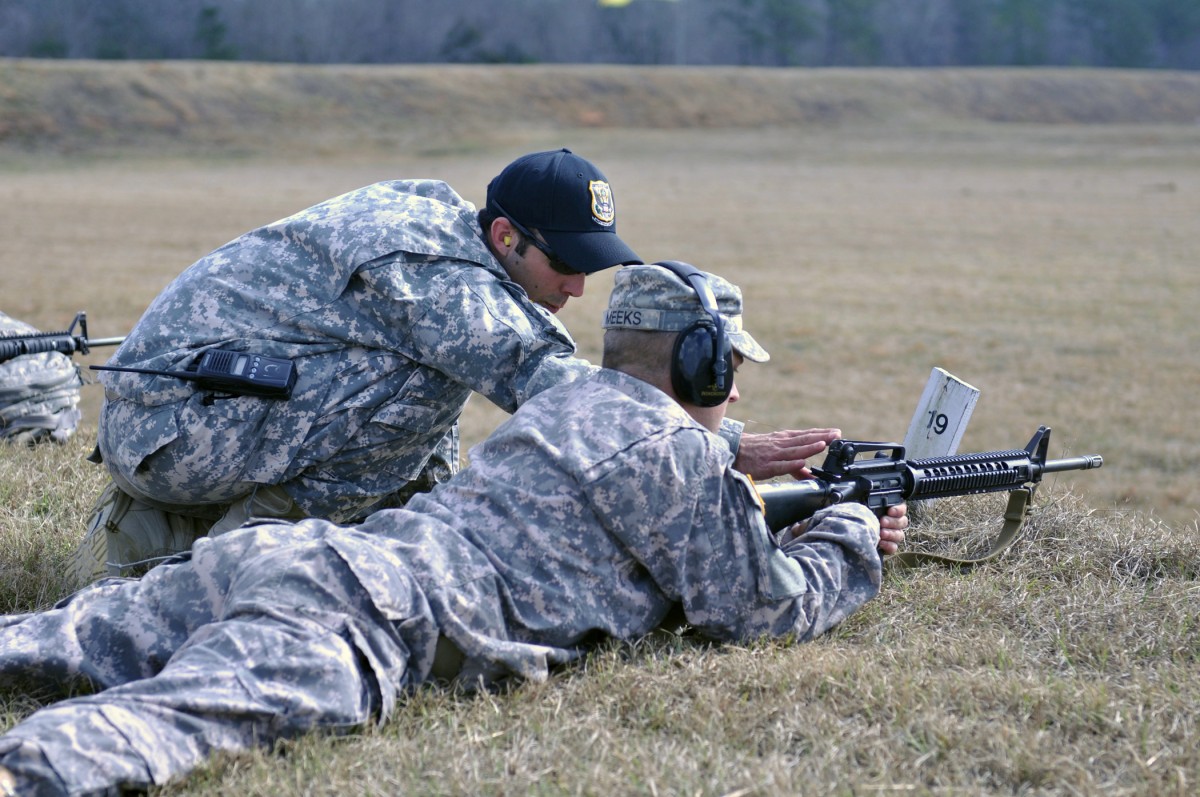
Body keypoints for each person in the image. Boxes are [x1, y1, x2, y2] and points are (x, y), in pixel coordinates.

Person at [0, 262, 906, 796]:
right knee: (169, 719)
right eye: (729, 369)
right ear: (703, 363)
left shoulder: (573, 404)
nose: (737, 392)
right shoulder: (675, 452)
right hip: (374, 612)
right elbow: (759, 611)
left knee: (57, 636)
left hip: (303, 554)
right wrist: (852, 535)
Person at [71, 149, 853, 586]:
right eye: (567, 264)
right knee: (412, 383)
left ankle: (332, 529)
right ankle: (232, 573)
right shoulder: (433, 273)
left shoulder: (457, 238)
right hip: (170, 433)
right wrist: (721, 440)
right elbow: (549, 385)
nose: (578, 288)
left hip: (213, 409)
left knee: (417, 377)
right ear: (507, 237)